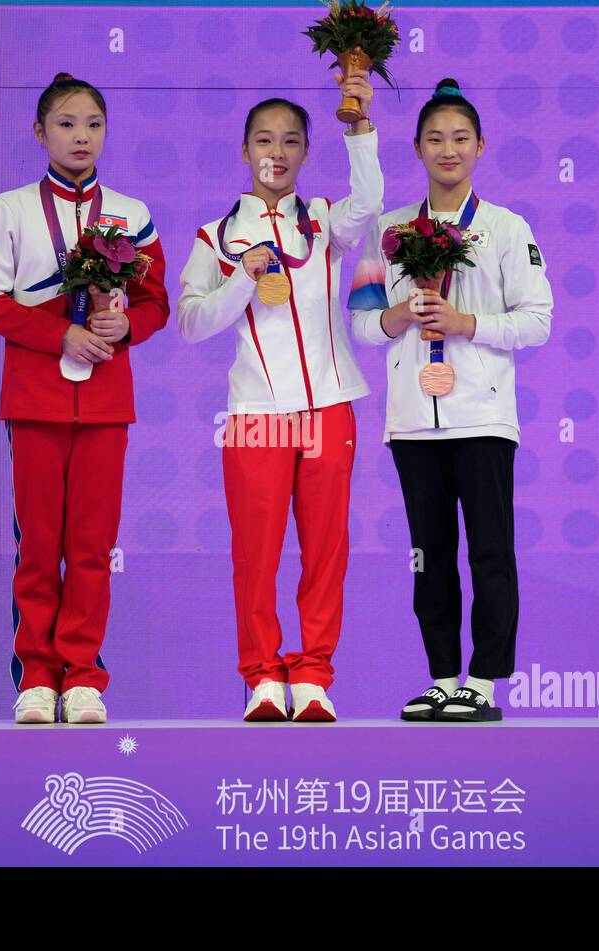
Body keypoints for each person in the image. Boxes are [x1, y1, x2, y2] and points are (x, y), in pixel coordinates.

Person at [176, 72, 382, 722]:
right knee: (256, 554)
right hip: (256, 416)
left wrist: (361, 129)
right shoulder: (216, 236)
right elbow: (190, 322)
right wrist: (243, 276)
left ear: (304, 152)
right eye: (265, 138)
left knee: (325, 549)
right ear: (245, 150)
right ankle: (263, 676)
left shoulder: (323, 221)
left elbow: (370, 198)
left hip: (328, 406)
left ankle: (314, 676)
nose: (278, 149)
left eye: (292, 140)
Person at [0, 72, 169, 724]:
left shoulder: (130, 215)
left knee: (91, 543)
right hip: (34, 400)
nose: (81, 136)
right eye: (66, 124)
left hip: (107, 400)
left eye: (93, 125)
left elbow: (155, 300)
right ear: (39, 132)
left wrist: (126, 324)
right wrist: (61, 334)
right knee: (38, 544)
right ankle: (37, 677)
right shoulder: (11, 208)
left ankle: (84, 675)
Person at [348, 78, 553, 722]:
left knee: (490, 550)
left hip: (483, 417)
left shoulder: (504, 228)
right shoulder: (388, 231)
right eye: (435, 138)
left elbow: (538, 320)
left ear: (481, 147)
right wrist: (401, 315)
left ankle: (485, 684)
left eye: (460, 138)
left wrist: (469, 325)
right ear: (416, 148)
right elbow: (359, 323)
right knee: (427, 554)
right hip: (412, 421)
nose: (448, 149)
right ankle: (443, 679)